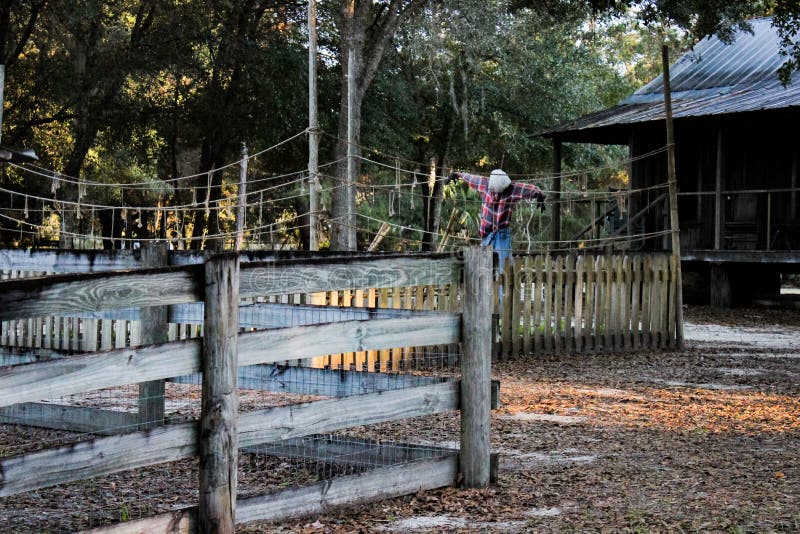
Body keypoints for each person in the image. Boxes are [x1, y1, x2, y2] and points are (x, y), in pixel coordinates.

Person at [449, 168, 545, 272]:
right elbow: (470, 178)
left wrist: (539, 194)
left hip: (502, 234)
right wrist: (457, 174)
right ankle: (485, 287)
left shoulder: (511, 189)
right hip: (486, 234)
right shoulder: (484, 183)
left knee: (503, 268)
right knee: (482, 266)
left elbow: (526, 188)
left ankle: (502, 288)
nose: (498, 195)